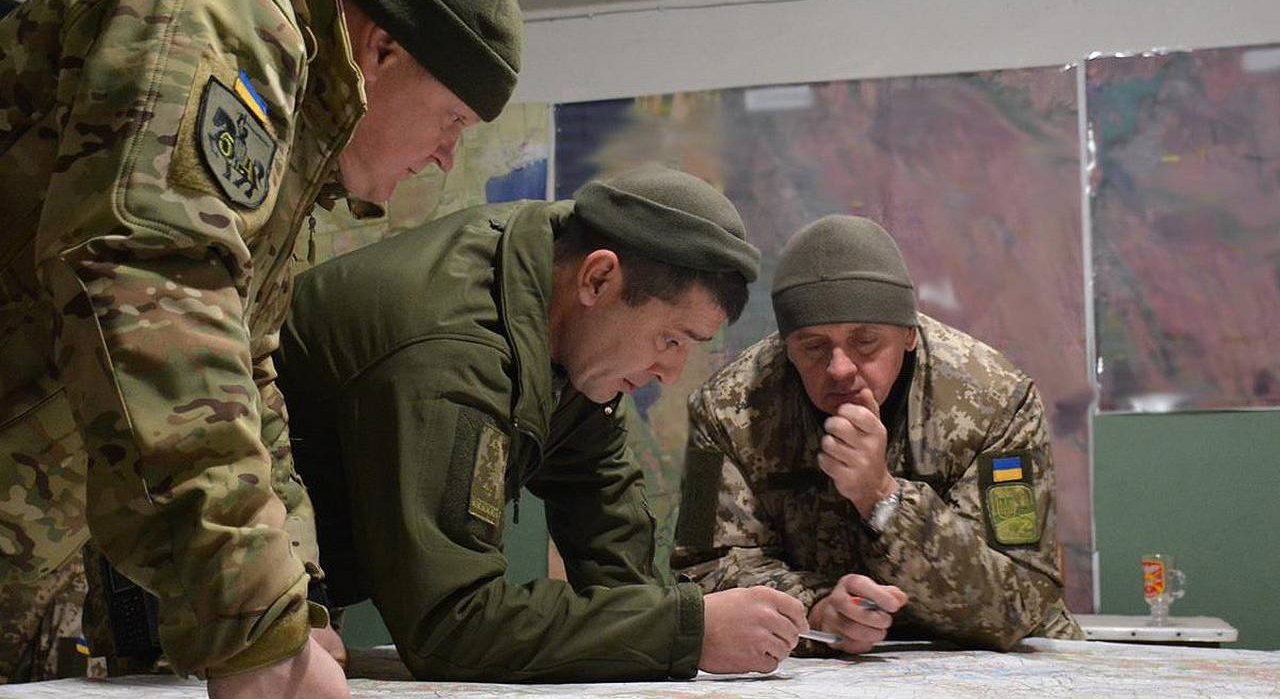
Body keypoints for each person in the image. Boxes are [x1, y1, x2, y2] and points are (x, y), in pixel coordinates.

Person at [0, 0, 522, 692]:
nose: (445, 156)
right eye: (453, 119)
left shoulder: (292, 119)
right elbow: (156, 288)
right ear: (382, 50)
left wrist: (294, 601)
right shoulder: (219, 5)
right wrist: (258, 632)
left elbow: (244, 372)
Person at [273, 166, 809, 681]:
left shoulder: (565, 327)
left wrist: (669, 625)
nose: (670, 374)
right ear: (599, 278)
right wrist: (686, 631)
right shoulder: (455, 350)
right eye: (670, 339)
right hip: (237, 599)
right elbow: (450, 623)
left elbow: (609, 525)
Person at [672, 214, 1083, 653]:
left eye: (865, 341)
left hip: (1000, 664)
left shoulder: (996, 401)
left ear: (909, 334)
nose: (839, 368)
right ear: (786, 347)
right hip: (816, 666)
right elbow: (700, 570)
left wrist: (883, 499)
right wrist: (816, 611)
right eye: (813, 347)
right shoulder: (725, 410)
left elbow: (1020, 601)